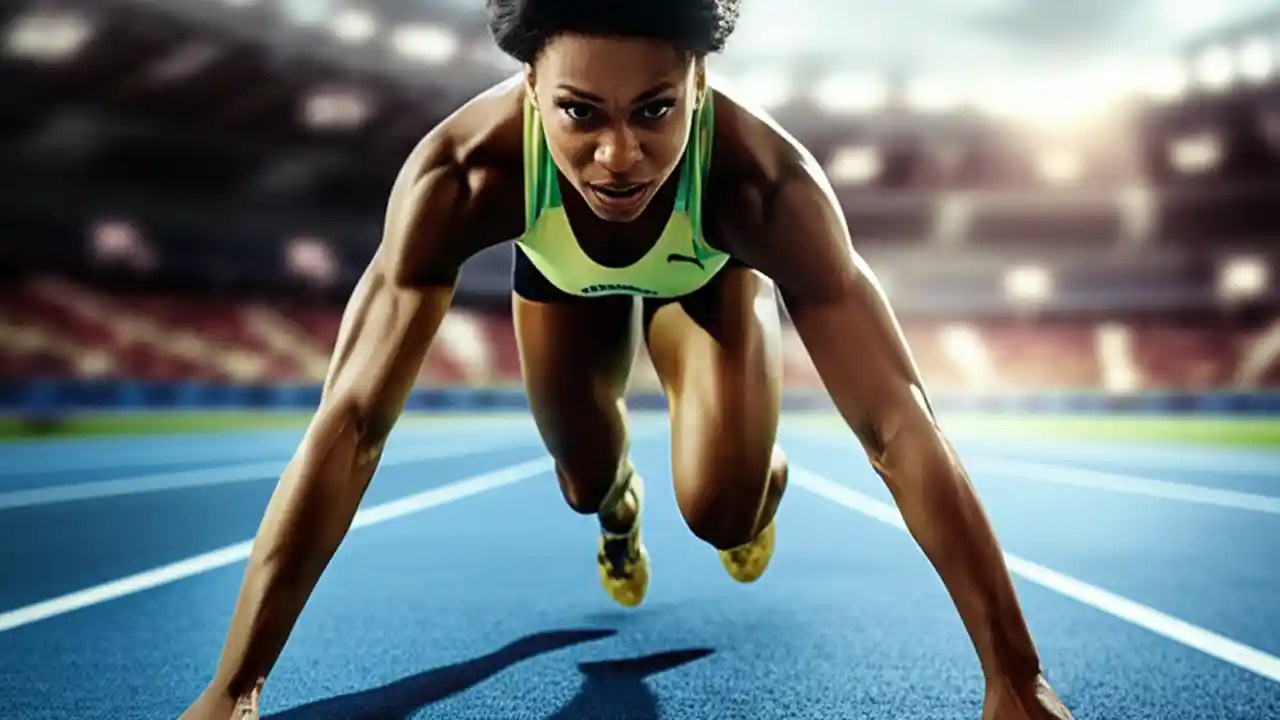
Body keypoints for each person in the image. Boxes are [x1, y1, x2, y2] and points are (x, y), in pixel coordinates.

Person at [182, 1, 1072, 718]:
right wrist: (236, 687)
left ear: (700, 81)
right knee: (584, 479)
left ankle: (761, 476)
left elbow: (896, 421)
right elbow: (352, 425)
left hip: (710, 285)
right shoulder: (460, 176)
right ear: (530, 85)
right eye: (579, 113)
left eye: (656, 110)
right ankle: (618, 514)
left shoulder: (764, 185)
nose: (618, 159)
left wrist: (1014, 677)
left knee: (722, 513)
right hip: (561, 287)